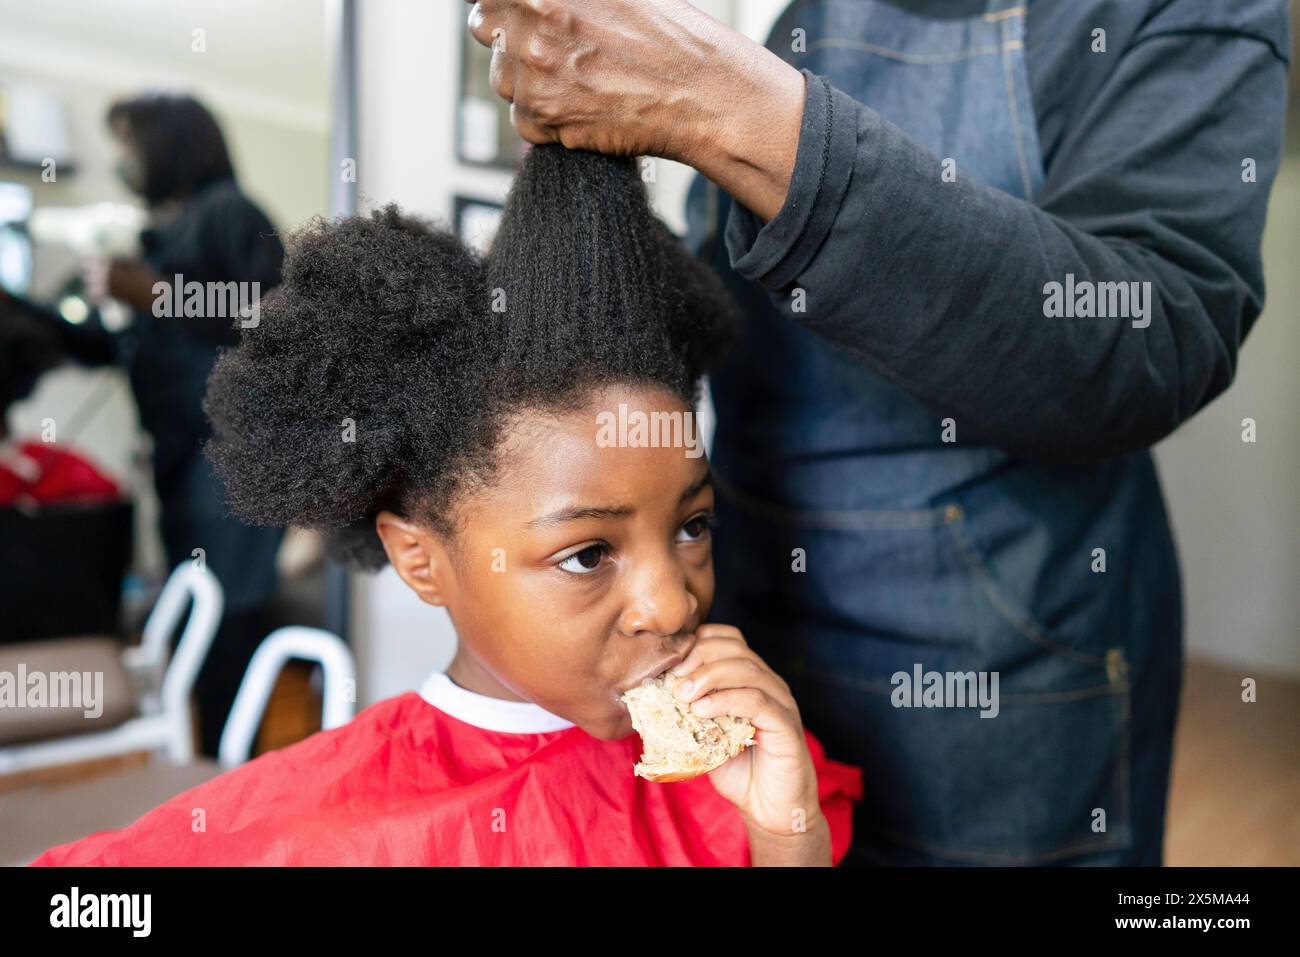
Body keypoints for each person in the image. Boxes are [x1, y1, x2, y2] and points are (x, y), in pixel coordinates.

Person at [460, 0, 1290, 864]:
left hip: (1003, 685)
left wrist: (733, 108)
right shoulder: (809, 17)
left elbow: (1149, 343)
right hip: (748, 635)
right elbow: (729, 307)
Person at [28, 144, 863, 867]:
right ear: (418, 557)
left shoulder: (741, 773)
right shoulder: (320, 832)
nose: (674, 601)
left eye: (691, 526)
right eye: (587, 552)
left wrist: (787, 834)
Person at [45, 92, 288, 756]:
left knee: (227, 625)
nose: (123, 162)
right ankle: (205, 770)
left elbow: (266, 310)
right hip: (180, 461)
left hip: (231, 462)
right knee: (196, 623)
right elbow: (114, 341)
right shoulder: (158, 239)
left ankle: (229, 778)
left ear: (172, 145)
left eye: (130, 146)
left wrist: (145, 291)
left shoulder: (229, 214)